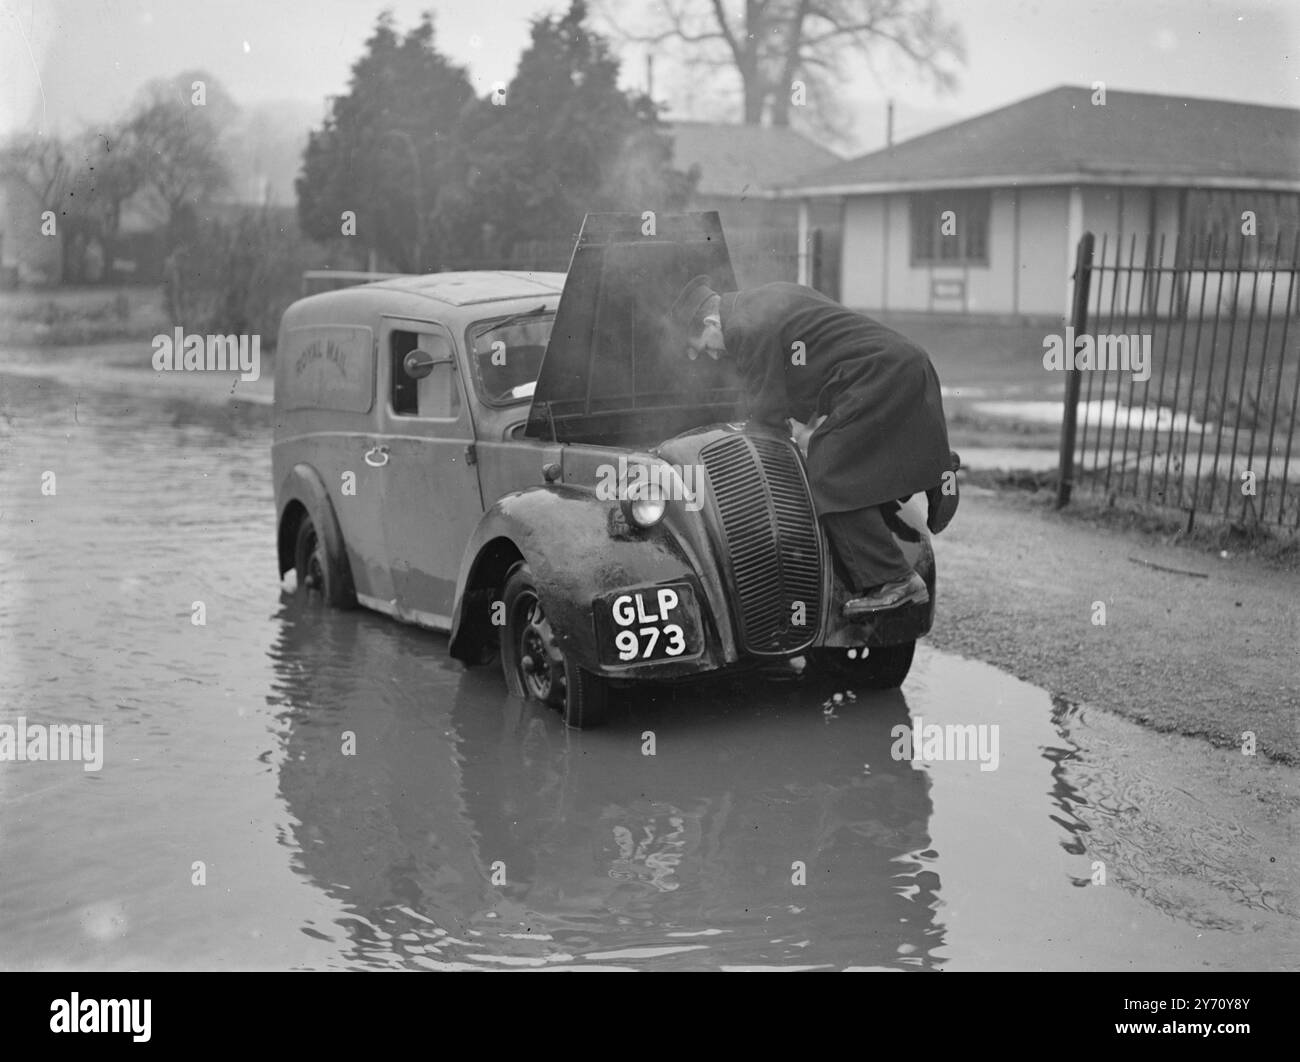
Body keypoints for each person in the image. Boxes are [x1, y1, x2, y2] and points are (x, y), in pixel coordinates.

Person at [670, 275, 956, 617]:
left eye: (705, 346)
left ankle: (895, 579)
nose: (713, 356)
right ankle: (936, 469)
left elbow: (768, 410)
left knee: (830, 472)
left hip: (877, 375)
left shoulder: (745, 326)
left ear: (710, 321)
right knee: (856, 458)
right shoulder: (761, 301)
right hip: (903, 365)